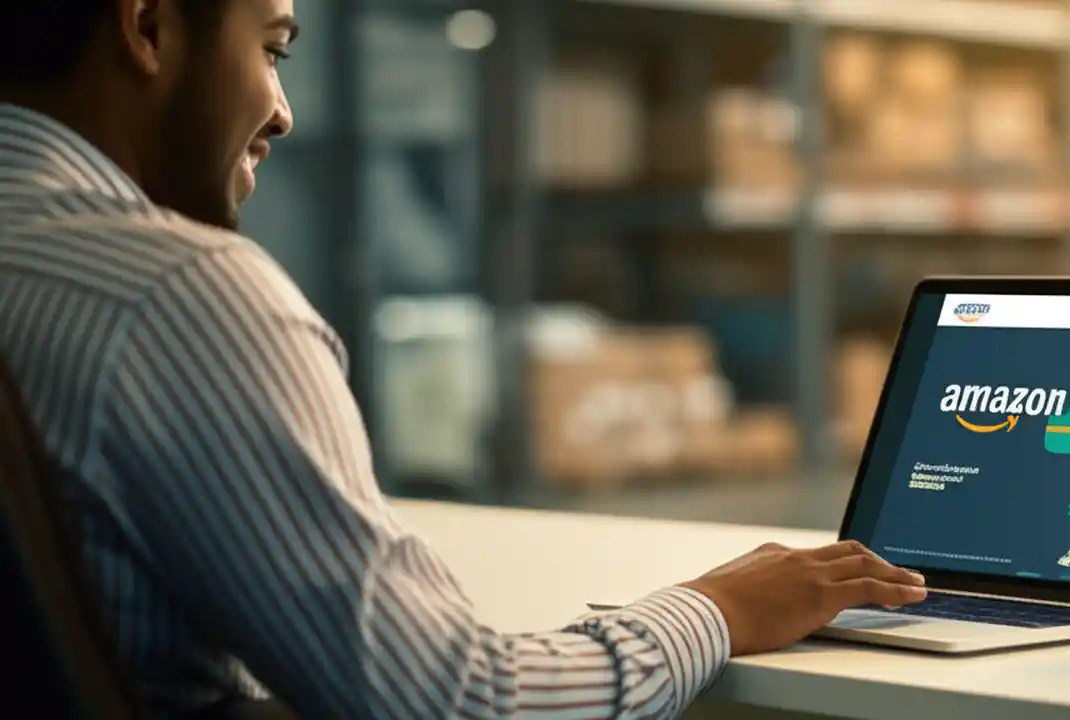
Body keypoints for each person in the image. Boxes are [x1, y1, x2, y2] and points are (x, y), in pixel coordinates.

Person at [0, 1, 928, 718]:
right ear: (148, 27)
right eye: (272, 50)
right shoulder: (176, 295)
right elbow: (455, 701)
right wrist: (720, 608)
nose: (281, 113)